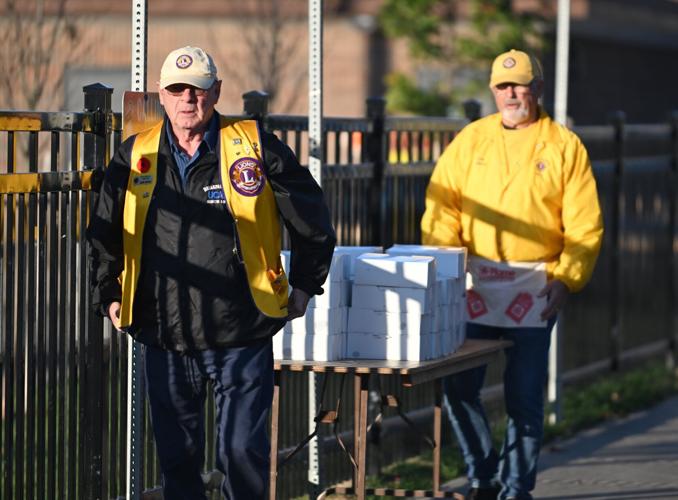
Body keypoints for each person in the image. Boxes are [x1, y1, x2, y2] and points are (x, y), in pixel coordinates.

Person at [87, 45, 336, 500]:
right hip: (164, 330)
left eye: (198, 89)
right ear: (161, 94)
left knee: (241, 454)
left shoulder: (253, 144)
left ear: (216, 92)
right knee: (177, 461)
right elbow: (103, 232)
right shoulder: (134, 155)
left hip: (240, 327)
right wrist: (109, 294)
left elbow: (312, 215)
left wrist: (304, 285)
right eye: (178, 89)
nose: (188, 99)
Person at [421, 49, 603, 500]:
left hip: (534, 287)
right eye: (502, 86)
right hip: (474, 285)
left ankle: (516, 488)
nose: (511, 94)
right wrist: (446, 263)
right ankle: (483, 475)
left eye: (520, 85)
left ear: (537, 89)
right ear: (492, 91)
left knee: (523, 397)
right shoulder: (471, 139)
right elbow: (442, 207)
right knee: (458, 389)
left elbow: (584, 223)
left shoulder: (564, 146)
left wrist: (567, 278)